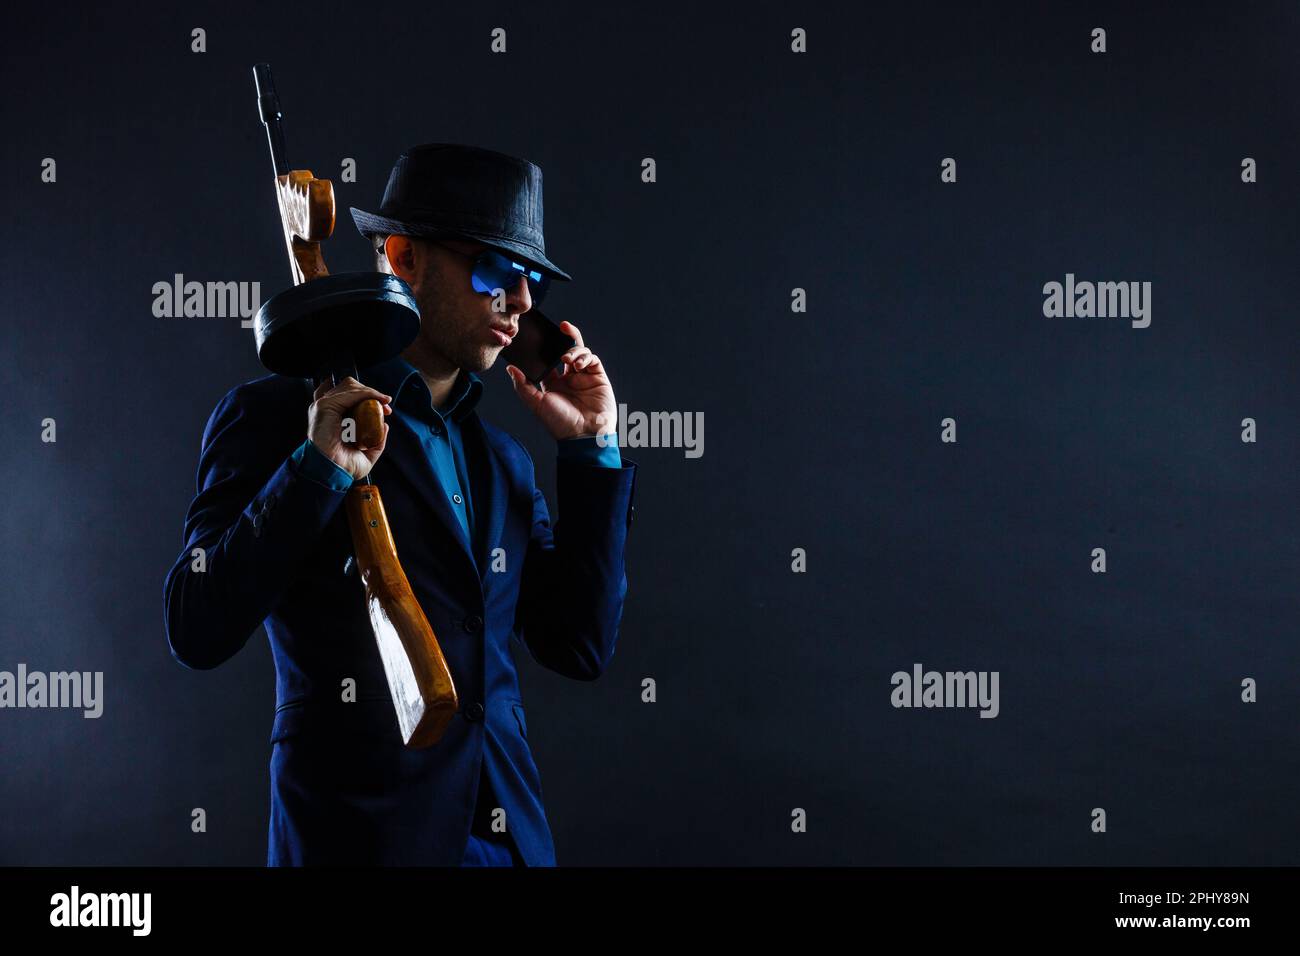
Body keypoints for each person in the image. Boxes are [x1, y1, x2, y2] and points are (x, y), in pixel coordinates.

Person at [163, 144, 638, 865]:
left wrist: (592, 449)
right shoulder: (277, 418)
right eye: (494, 268)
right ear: (404, 258)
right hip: (357, 845)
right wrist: (317, 467)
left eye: (530, 277)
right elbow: (196, 624)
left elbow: (578, 644)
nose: (521, 300)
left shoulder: (505, 463)